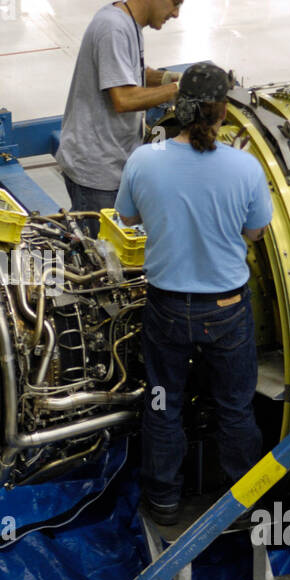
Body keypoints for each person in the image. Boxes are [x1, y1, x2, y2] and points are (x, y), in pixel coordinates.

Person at [114, 62, 273, 526]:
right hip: (226, 311)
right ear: (222, 112)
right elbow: (256, 232)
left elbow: (126, 219)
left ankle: (163, 500)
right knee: (235, 407)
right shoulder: (245, 167)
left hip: (166, 310)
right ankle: (242, 503)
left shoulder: (145, 160)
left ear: (178, 108)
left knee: (163, 403)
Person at [54, 0, 188, 223]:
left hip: (115, 163)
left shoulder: (128, 23)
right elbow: (123, 99)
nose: (175, 14)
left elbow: (134, 74)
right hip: (97, 174)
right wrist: (177, 90)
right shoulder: (113, 28)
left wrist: (171, 77)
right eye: (175, 2)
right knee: (105, 256)